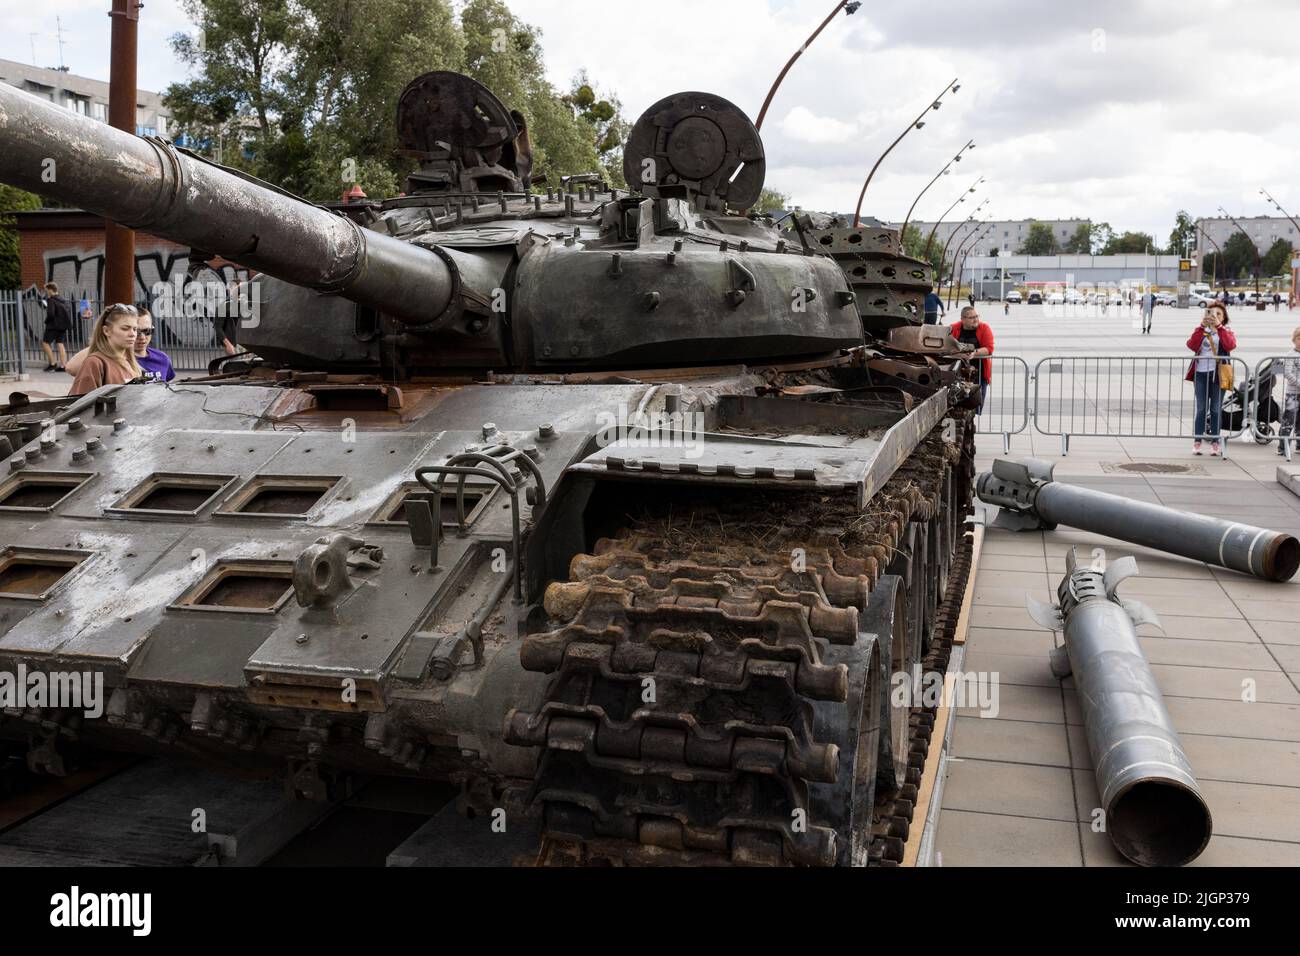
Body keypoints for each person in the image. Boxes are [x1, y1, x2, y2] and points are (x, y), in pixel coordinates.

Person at [66, 306, 174, 383]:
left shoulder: (162, 358)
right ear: (106, 331)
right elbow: (71, 368)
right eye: (125, 328)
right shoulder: (106, 360)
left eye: (147, 331)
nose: (140, 336)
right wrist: (108, 340)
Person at [1185, 302, 1236, 456]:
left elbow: (1230, 345)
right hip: (1200, 374)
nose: (1214, 316)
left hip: (1218, 375)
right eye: (1212, 313)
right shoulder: (1201, 331)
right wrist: (1201, 327)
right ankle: (1197, 441)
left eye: (1218, 314)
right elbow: (1191, 345)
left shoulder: (1226, 331)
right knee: (1201, 409)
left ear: (1224, 317)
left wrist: (1219, 328)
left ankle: (1215, 442)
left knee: (1215, 409)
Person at [68, 304, 144, 396]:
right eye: (125, 328)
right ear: (106, 331)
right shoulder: (95, 362)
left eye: (135, 329)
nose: (132, 334)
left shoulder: (131, 363)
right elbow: (82, 405)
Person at [950, 305, 994, 413]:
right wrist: (958, 354)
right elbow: (947, 347)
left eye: (976, 316)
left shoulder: (984, 328)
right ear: (963, 319)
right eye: (972, 317)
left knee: (976, 404)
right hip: (958, 374)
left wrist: (975, 353)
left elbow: (989, 348)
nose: (976, 320)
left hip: (979, 375)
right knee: (957, 405)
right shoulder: (953, 328)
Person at [38, 282, 73, 371]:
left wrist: (46, 321)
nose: (46, 292)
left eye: (47, 290)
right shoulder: (63, 300)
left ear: (50, 290)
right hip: (63, 325)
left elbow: (51, 314)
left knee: (45, 343)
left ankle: (52, 363)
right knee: (60, 344)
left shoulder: (51, 300)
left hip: (53, 326)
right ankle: (63, 366)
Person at [1279, 326, 1300, 457]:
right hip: (1293, 393)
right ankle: (1282, 446)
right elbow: (1287, 373)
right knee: (1289, 420)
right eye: (1299, 338)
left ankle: (1299, 444)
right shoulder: (1291, 355)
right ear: (1294, 339)